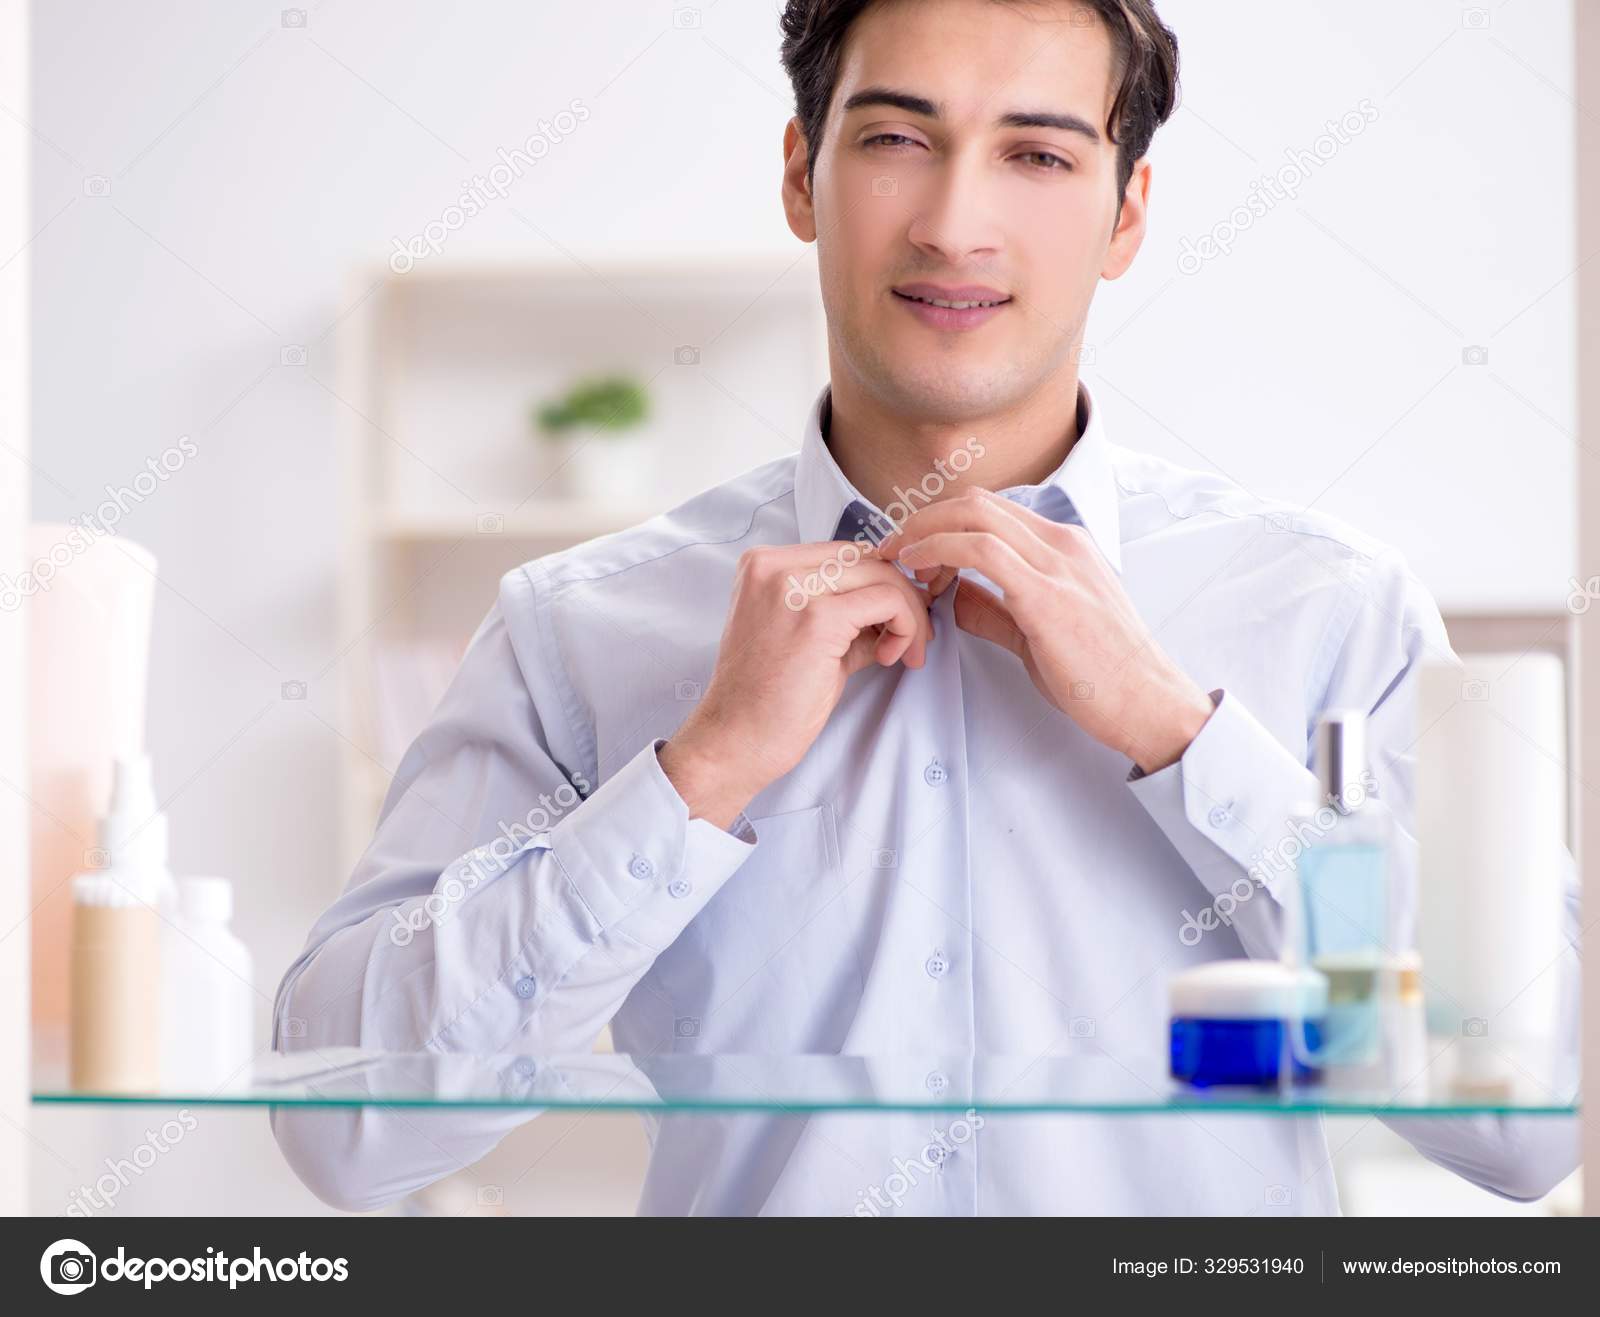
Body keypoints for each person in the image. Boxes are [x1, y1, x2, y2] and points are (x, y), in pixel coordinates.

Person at [272, 0, 1579, 1214]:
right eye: (899, 138)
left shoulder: (1330, 609)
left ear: (1127, 213)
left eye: (1039, 156)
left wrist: (1189, 740)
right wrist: (695, 774)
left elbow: (1529, 1130)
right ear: (802, 175)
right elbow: (343, 1124)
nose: (955, 223)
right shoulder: (580, 630)